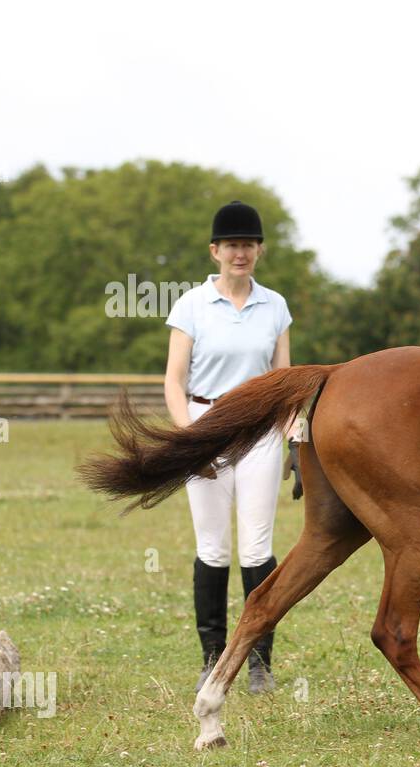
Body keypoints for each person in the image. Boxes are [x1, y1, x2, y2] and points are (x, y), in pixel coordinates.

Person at [163, 200, 298, 693]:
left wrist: (293, 438)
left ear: (258, 251)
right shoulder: (191, 305)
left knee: (258, 546)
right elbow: (174, 381)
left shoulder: (275, 306)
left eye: (248, 245)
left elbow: (283, 379)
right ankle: (212, 657)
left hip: (259, 428)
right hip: (206, 423)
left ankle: (258, 661)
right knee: (213, 546)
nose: (240, 253)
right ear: (215, 251)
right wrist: (189, 439)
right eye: (232, 246)